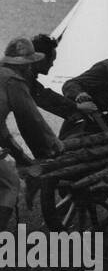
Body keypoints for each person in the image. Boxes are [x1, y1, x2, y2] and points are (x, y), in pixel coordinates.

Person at [0, 38, 63, 229]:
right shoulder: (13, 81)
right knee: (10, 183)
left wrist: (18, 155)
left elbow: (1, 130)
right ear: (27, 64)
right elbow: (32, 119)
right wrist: (53, 143)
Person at [27, 34, 80, 122]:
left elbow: (43, 95)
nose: (52, 64)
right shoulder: (21, 79)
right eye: (51, 60)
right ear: (41, 59)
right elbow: (44, 96)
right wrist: (77, 107)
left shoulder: (20, 73)